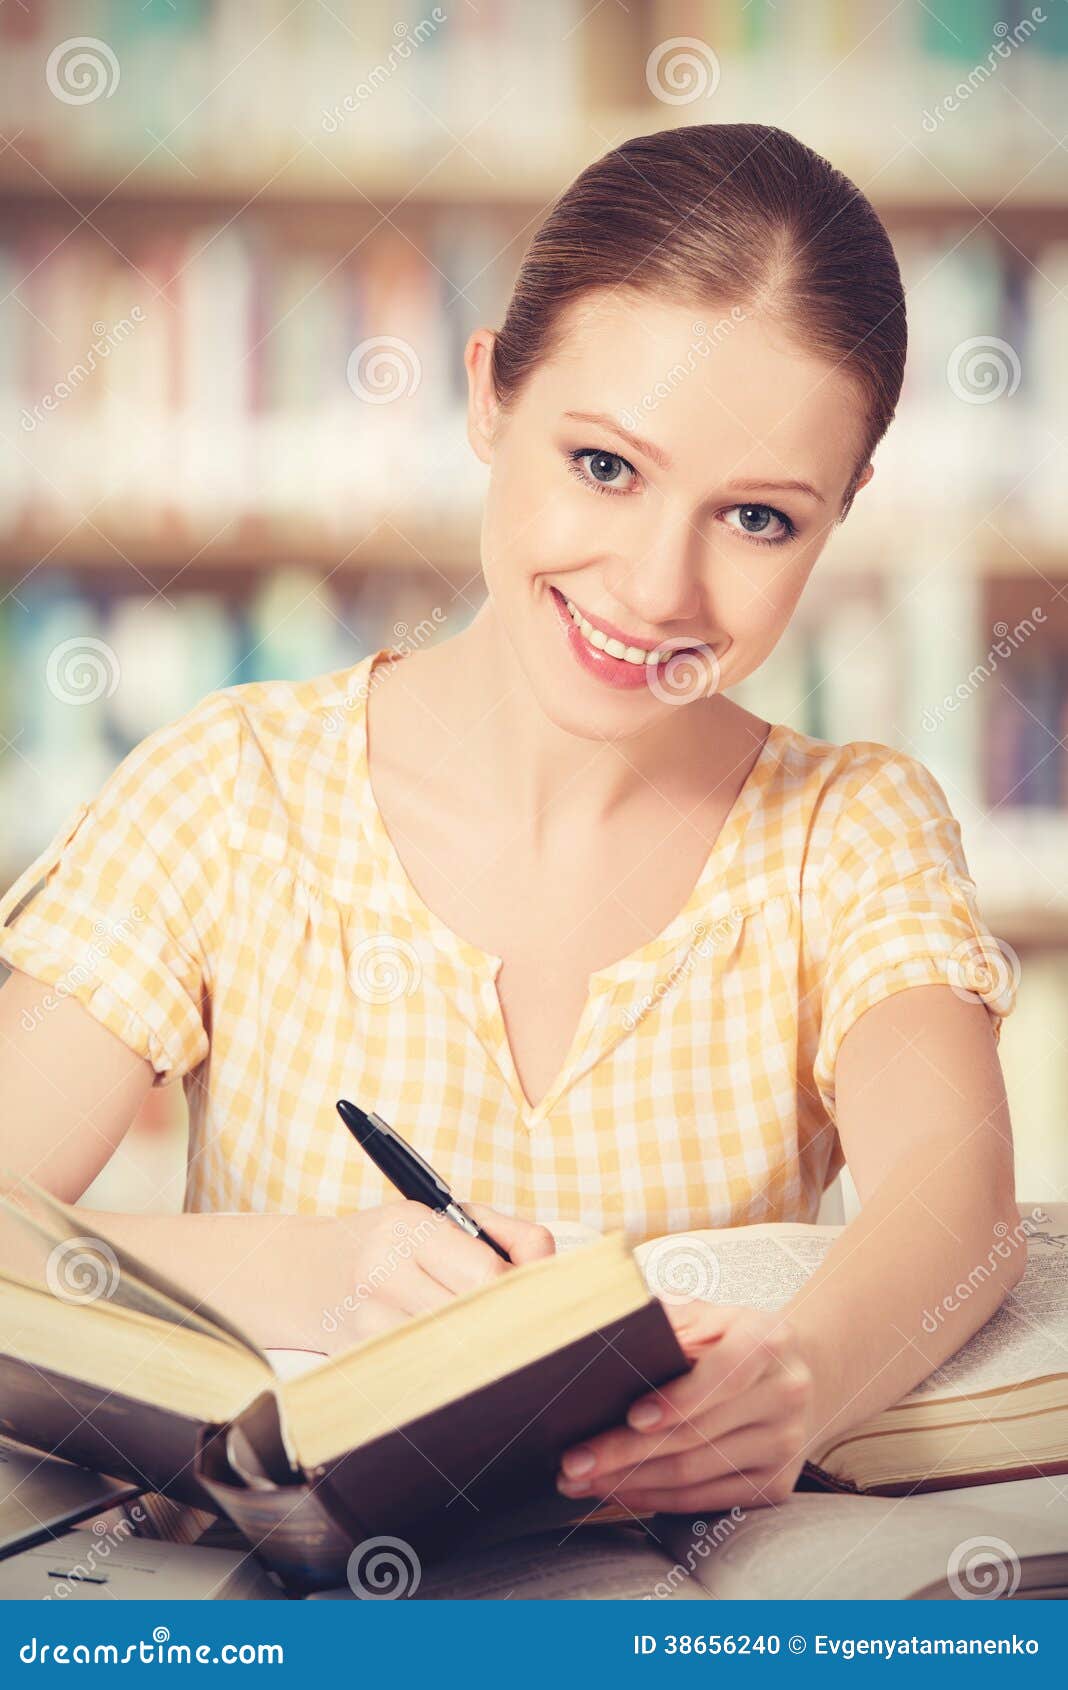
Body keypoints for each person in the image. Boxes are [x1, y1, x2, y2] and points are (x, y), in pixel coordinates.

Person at [0, 123, 1022, 1519]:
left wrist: (805, 1380)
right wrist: (331, 1269)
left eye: (761, 519)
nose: (656, 586)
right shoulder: (231, 793)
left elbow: (955, 1207)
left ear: (843, 512)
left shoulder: (851, 831)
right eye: (605, 465)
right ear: (489, 396)